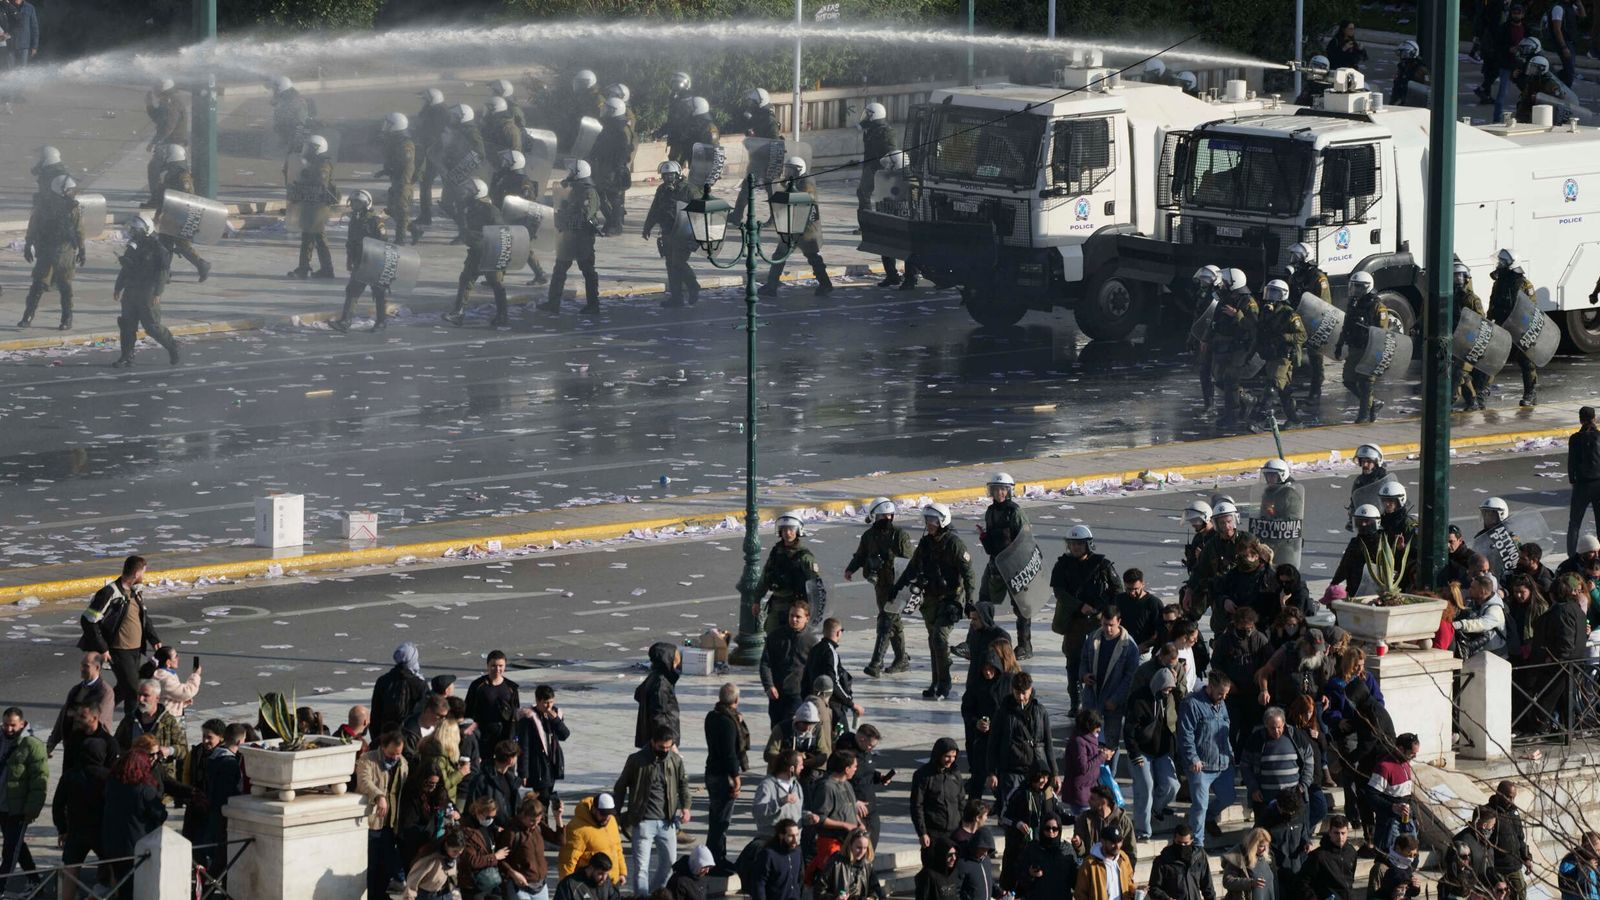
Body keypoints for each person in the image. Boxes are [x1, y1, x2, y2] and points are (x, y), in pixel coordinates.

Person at [892, 503, 976, 701]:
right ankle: (935, 682)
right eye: (927, 520)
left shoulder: (954, 544)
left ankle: (945, 683)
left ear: (943, 521)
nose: (929, 524)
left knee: (939, 637)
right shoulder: (926, 544)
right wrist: (897, 588)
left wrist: (969, 601)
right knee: (933, 642)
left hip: (951, 598)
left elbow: (968, 573)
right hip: (931, 599)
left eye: (933, 520)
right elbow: (912, 568)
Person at [613, 724, 690, 896]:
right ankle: (641, 897)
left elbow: (683, 784)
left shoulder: (675, 760)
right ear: (653, 742)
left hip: (667, 822)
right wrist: (615, 813)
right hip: (643, 822)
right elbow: (620, 786)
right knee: (641, 867)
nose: (665, 750)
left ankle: (655, 895)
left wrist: (686, 807)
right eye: (661, 747)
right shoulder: (636, 760)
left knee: (670, 863)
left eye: (668, 747)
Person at [1051, 526, 1120, 708]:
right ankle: (1075, 701)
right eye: (1072, 544)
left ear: (1088, 544)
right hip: (1074, 620)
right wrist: (1080, 606)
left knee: (1101, 658)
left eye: (1080, 544)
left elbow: (1116, 590)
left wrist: (1099, 607)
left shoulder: (1102, 565)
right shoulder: (1062, 565)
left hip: (1098, 621)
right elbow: (1059, 592)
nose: (1076, 548)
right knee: (1073, 660)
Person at [848, 498, 915, 676]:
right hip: (880, 586)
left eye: (888, 515)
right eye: (881, 515)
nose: (885, 518)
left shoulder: (899, 536)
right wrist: (851, 569)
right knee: (894, 623)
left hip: (897, 586)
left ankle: (875, 663)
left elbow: (909, 562)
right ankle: (901, 659)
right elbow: (861, 555)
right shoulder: (869, 536)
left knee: (886, 622)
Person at [102, 736, 167, 900]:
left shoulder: (112, 782)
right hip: (137, 847)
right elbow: (160, 814)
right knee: (136, 888)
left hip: (113, 844)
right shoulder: (144, 789)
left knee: (123, 887)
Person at [758, 157, 832, 298]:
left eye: (790, 170)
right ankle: (825, 284)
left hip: (805, 228)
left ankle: (825, 284)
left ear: (799, 170)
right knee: (785, 255)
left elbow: (806, 201)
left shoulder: (807, 182)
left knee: (808, 256)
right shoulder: (795, 181)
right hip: (794, 225)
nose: (787, 173)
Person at [19, 173, 85, 330]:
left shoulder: (49, 205)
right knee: (42, 284)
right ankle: (33, 316)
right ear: (63, 191)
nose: (73, 192)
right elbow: (79, 230)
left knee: (61, 285)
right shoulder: (67, 207)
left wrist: (28, 244)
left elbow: (78, 230)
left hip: (60, 250)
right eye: (71, 190)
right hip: (53, 250)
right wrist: (28, 244)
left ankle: (64, 318)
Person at [984, 672, 1058, 810]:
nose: (1021, 697)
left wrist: (1054, 772)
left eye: (1024, 693)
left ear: (1030, 690)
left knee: (1038, 810)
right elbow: (993, 744)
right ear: (1012, 690)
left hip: (1037, 769)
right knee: (1013, 810)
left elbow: (1048, 743)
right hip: (1012, 770)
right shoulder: (1003, 712)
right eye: (1017, 693)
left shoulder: (1040, 711)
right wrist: (991, 772)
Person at [444, 178, 512, 328]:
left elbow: (500, 232)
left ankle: (502, 315)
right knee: (466, 279)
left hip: (491, 251)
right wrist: (453, 214)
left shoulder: (490, 210)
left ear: (478, 193)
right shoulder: (472, 207)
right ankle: (458, 313)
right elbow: (466, 227)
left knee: (496, 284)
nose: (465, 193)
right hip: (476, 251)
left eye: (469, 191)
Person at [1177, 671, 1235, 846]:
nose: (1223, 697)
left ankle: (1209, 817)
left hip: (1222, 763)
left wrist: (1230, 753)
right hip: (1200, 765)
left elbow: (1225, 731)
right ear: (1210, 687)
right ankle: (1197, 844)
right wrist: (1192, 758)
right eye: (1220, 693)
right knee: (1200, 805)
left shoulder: (1222, 704)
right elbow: (1185, 734)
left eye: (1226, 694)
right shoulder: (1192, 703)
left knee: (1228, 797)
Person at [541, 160, 603, 316]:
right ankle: (553, 303)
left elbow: (584, 215)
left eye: (571, 172)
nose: (568, 175)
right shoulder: (573, 189)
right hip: (568, 237)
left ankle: (593, 305)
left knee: (588, 271)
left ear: (578, 174)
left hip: (582, 238)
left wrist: (566, 214)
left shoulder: (589, 192)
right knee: (559, 270)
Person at [1080, 608, 1140, 766]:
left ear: (1119, 622)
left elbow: (1130, 677)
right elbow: (1084, 660)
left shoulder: (1129, 646)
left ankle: (1109, 779)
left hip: (1113, 701)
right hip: (1092, 697)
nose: (1108, 628)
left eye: (1111, 625)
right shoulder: (1093, 637)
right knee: (1089, 737)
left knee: (1110, 743)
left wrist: (1116, 699)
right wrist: (1084, 675)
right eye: (1105, 624)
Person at [1126, 667, 1180, 840]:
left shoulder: (1170, 699)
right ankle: (1143, 830)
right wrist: (1134, 754)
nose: (1168, 692)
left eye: (1170, 689)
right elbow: (1129, 730)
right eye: (1166, 689)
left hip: (1163, 751)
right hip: (1142, 751)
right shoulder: (1139, 699)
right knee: (1146, 787)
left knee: (1173, 785)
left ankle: (1155, 809)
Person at [356, 731, 410, 899]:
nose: (395, 757)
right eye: (392, 753)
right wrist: (379, 796)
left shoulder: (402, 763)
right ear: (383, 747)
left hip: (391, 824)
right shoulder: (368, 759)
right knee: (370, 867)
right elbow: (365, 781)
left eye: (399, 753)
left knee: (386, 867)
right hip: (372, 823)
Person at [149, 145, 213, 281]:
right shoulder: (169, 174)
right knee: (164, 245)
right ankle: (164, 273)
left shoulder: (182, 176)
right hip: (170, 215)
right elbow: (164, 196)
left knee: (182, 245)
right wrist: (158, 214)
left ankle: (202, 265)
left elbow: (188, 197)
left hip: (182, 216)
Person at [642, 160, 700, 308]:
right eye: (665, 176)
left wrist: (697, 235)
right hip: (667, 231)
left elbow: (700, 212)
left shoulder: (689, 190)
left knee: (678, 262)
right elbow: (655, 209)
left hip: (684, 231)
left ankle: (693, 286)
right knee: (670, 265)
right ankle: (676, 297)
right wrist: (647, 227)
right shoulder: (662, 190)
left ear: (678, 174)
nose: (668, 179)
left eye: (671, 175)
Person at [1333, 272, 1390, 423]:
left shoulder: (1378, 307)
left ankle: (1364, 415)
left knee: (1366, 383)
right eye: (1354, 287)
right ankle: (1373, 404)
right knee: (1349, 380)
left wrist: (1367, 328)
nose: (1356, 290)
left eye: (1359, 287)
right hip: (1355, 348)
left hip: (1369, 349)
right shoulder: (1353, 304)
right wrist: (1339, 345)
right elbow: (1346, 327)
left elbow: (1382, 332)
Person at [331, 189, 390, 333]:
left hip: (374, 262)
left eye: (358, 203)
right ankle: (345, 321)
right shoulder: (354, 220)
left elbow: (384, 241)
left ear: (366, 204)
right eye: (354, 203)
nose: (355, 206)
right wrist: (349, 259)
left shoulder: (375, 220)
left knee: (378, 292)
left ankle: (381, 322)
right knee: (352, 291)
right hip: (359, 261)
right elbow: (351, 242)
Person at [703, 682, 749, 865]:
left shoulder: (712, 716)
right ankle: (716, 858)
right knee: (722, 821)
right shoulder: (729, 722)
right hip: (724, 777)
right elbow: (730, 754)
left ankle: (713, 855)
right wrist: (736, 778)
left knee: (715, 817)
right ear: (736, 700)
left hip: (711, 771)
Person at [1239, 707, 1313, 822]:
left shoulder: (1296, 736)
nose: (1276, 731)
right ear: (1266, 725)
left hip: (1293, 797)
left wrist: (1304, 784)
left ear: (1283, 723)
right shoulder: (1256, 739)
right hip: (1266, 798)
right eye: (1272, 728)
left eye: (1279, 727)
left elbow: (1309, 758)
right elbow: (1245, 765)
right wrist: (1253, 787)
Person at [1488, 249, 1540, 406]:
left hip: (1519, 327)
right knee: (1491, 357)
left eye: (1502, 262)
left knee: (1526, 361)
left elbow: (1531, 308)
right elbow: (1493, 303)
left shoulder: (1525, 285)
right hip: (1502, 324)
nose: (1499, 264)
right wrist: (1489, 320)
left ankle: (1530, 393)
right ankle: (1481, 391)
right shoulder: (1499, 283)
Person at [0, 708, 46, 886]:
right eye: (6, 724)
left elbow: (39, 779)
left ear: (22, 723)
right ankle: (35, 880)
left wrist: (32, 809)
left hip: (18, 809)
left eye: (13, 725)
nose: (9, 729)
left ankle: (1, 887)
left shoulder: (32, 745)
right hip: (2, 805)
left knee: (10, 850)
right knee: (17, 846)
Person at [756, 512, 822, 637]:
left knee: (792, 639)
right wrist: (756, 600)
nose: (787, 533)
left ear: (797, 531)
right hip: (776, 605)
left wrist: (812, 613)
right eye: (784, 529)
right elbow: (765, 577)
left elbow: (815, 585)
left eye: (791, 529)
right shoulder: (776, 552)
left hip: (795, 606)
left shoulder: (804, 557)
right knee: (772, 637)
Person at [114, 679, 186, 791]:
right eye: (139, 695)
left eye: (146, 695)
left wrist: (169, 750)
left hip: (160, 783)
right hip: (133, 780)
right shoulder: (130, 719)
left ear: (157, 698)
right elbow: (116, 744)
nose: (141, 699)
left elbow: (183, 749)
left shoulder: (168, 721)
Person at [1210, 269, 1260, 428]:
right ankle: (1245, 399)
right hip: (1225, 345)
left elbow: (1254, 326)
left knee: (1230, 379)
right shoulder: (1227, 297)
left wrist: (1237, 315)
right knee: (1219, 378)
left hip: (1240, 346)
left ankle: (1231, 416)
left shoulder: (1248, 302)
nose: (1222, 284)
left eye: (1225, 282)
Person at [286, 135, 338, 280]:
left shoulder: (323, 166)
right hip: (311, 207)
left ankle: (322, 269)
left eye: (309, 148)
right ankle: (309, 268)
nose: (306, 151)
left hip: (317, 208)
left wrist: (303, 184)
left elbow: (320, 185)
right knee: (309, 239)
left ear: (316, 149)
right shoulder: (313, 164)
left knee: (317, 239)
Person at [1253, 280, 1306, 424]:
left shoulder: (1289, 314)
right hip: (1271, 355)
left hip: (1284, 356)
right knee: (1283, 391)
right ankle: (1295, 420)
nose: (1271, 297)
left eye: (1275, 293)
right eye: (1269, 292)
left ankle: (1258, 421)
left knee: (1272, 387)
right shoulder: (1266, 312)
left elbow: (1302, 335)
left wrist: (1285, 337)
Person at [1285, 243, 1332, 403]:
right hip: (1297, 319)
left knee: (1315, 357)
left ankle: (1315, 390)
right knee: (1291, 355)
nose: (1293, 260)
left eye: (1296, 256)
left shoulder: (1318, 278)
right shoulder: (1295, 275)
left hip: (1313, 320)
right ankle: (1286, 390)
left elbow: (1324, 304)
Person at [760, 599, 818, 726]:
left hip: (798, 695)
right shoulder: (775, 636)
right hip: (777, 693)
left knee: (790, 729)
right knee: (776, 728)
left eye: (798, 617)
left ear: (806, 618)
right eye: (792, 616)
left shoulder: (812, 641)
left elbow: (816, 670)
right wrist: (769, 685)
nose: (794, 619)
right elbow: (765, 663)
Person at [46, 653, 116, 757]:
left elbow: (97, 720)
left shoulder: (105, 692)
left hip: (92, 749)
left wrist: (74, 714)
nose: (82, 669)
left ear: (97, 667)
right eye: (81, 665)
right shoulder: (76, 690)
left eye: (86, 666)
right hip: (71, 746)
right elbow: (63, 716)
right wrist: (51, 744)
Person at [1364, 732, 1419, 858]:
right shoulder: (1384, 767)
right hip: (1389, 823)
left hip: (1407, 819)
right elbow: (1371, 795)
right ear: (1400, 749)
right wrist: (1391, 807)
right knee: (1389, 857)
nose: (1414, 756)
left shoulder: (1406, 764)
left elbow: (1408, 795)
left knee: (1412, 856)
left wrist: (1414, 816)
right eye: (1412, 753)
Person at [558, 793, 627, 886]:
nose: (606, 818)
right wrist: (567, 888)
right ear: (594, 809)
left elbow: (617, 847)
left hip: (612, 883)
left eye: (609, 814)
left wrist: (622, 872)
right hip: (590, 885)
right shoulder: (577, 829)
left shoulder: (612, 821)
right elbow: (567, 862)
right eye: (603, 814)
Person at [203, 724, 245, 873]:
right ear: (240, 742)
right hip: (224, 813)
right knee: (222, 857)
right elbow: (232, 791)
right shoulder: (230, 763)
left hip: (214, 809)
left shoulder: (213, 757)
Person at [808, 618, 864, 727]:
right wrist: (851, 704)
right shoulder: (831, 653)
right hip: (831, 704)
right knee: (843, 737)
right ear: (838, 633)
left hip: (812, 701)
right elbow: (834, 682)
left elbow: (806, 676)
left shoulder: (814, 650)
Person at [592, 98, 636, 235]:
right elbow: (600, 143)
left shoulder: (621, 129)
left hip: (613, 168)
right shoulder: (611, 126)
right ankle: (611, 221)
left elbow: (624, 149)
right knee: (600, 194)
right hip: (605, 166)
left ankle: (615, 225)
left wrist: (617, 167)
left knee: (613, 197)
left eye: (608, 109)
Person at [911, 738, 964, 849]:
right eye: (947, 756)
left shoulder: (956, 774)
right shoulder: (923, 775)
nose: (951, 760)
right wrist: (922, 832)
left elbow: (961, 802)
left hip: (954, 832)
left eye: (954, 756)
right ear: (938, 755)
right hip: (933, 833)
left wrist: (963, 827)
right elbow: (917, 806)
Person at [503, 793, 558, 900]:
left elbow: (559, 840)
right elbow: (502, 859)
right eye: (532, 821)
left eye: (538, 821)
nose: (535, 824)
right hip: (520, 887)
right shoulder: (512, 832)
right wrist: (513, 873)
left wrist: (558, 817)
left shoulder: (538, 827)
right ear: (523, 816)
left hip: (540, 886)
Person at [462, 739, 523, 832]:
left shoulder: (511, 779)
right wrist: (493, 827)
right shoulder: (482, 780)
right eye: (516, 756)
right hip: (490, 832)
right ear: (510, 760)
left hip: (509, 830)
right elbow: (472, 810)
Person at [374, 643, 428, 741]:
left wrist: (376, 738)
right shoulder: (420, 683)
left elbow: (376, 713)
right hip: (411, 736)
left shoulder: (383, 681)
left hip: (386, 736)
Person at [1014, 813, 1075, 900]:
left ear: (1060, 830)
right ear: (1042, 829)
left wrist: (1080, 848)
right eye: (1047, 828)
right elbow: (1019, 876)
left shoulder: (1066, 850)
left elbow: (1075, 879)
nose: (1051, 832)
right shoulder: (1032, 849)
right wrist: (1030, 874)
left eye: (1055, 829)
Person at [1062, 710, 1112, 816]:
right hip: (1081, 792)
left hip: (1089, 788)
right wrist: (1102, 757)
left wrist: (1100, 753)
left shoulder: (1088, 739)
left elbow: (1088, 756)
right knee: (1084, 826)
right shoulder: (1078, 741)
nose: (1098, 730)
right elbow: (1083, 767)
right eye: (1096, 727)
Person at [1076, 785, 1138, 866]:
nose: (1089, 801)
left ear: (1103, 802)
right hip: (1092, 869)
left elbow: (1131, 851)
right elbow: (1081, 853)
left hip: (1116, 869)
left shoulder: (1123, 821)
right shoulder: (1084, 818)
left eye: (1093, 799)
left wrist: (1128, 873)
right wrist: (1079, 845)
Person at [632, 643, 680, 749]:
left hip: (652, 738)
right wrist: (669, 744)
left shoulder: (655, 676)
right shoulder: (661, 684)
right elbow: (659, 716)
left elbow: (638, 694)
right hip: (661, 742)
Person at [1148, 827, 1215, 900]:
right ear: (1174, 840)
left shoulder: (1199, 857)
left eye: (1186, 843)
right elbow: (1153, 888)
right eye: (1179, 843)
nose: (1182, 846)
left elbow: (1208, 886)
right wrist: (1166, 898)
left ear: (1191, 841)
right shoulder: (1162, 861)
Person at [856, 103, 897, 215]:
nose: (866, 117)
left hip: (879, 168)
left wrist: (886, 167)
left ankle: (880, 219)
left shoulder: (885, 132)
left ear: (875, 115)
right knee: (863, 192)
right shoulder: (871, 128)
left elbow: (891, 152)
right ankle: (866, 220)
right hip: (870, 166)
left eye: (869, 114)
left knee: (882, 196)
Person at [403, 828, 467, 900]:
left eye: (460, 851)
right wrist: (409, 897)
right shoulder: (430, 859)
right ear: (446, 845)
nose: (458, 854)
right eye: (455, 851)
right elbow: (412, 881)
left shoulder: (452, 857)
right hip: (428, 896)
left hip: (445, 894)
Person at [1074, 825, 1135, 900]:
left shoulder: (1124, 858)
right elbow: (1080, 894)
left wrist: (1134, 891)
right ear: (1103, 841)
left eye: (1119, 842)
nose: (1117, 846)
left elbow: (1129, 882)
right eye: (1113, 842)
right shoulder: (1089, 864)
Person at [1569, 408, 1600, 556]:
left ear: (1580, 420)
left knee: (1574, 524)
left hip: (1582, 484)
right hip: (1598, 483)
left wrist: (1573, 480)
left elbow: (1571, 463)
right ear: (1594, 418)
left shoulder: (1575, 438)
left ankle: (1571, 555)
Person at [753, 751, 806, 836]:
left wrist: (809, 816)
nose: (803, 767)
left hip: (793, 843)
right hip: (772, 841)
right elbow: (758, 812)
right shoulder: (767, 785)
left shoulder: (796, 785)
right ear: (791, 768)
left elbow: (798, 811)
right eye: (800, 765)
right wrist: (780, 801)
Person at [821, 828, 882, 900]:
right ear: (850, 845)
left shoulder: (867, 865)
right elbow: (819, 891)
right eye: (858, 848)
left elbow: (876, 889)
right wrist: (835, 898)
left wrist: (872, 897)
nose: (862, 852)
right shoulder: (836, 863)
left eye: (865, 848)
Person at [1113, 570, 1164, 654]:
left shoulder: (1154, 603)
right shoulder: (1119, 599)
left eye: (1136, 589)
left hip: (1144, 651)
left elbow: (1160, 631)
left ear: (1143, 584)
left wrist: (1145, 645)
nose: (1132, 593)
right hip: (1121, 648)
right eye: (1128, 589)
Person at [752, 819, 804, 900]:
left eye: (797, 835)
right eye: (791, 836)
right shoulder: (768, 854)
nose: (795, 840)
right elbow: (759, 883)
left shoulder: (797, 852)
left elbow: (799, 879)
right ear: (781, 835)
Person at [1220, 828, 1274, 900]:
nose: (1265, 849)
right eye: (1261, 846)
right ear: (1253, 845)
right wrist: (1251, 883)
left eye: (1266, 846)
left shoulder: (1265, 858)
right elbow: (1228, 881)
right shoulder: (1238, 857)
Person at [1558, 834, 1600, 900]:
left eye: (1599, 850)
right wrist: (1585, 868)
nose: (1597, 854)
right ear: (1584, 846)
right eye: (1594, 850)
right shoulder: (1570, 860)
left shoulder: (1597, 862)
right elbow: (1565, 884)